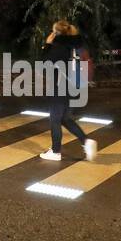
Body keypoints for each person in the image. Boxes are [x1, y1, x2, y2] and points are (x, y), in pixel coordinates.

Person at [39, 20, 96, 162]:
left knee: (55, 119)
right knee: (65, 118)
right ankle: (86, 141)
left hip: (59, 86)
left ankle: (56, 151)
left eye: (53, 31)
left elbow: (44, 64)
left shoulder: (59, 46)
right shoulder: (76, 44)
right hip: (75, 86)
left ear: (57, 33)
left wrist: (47, 45)